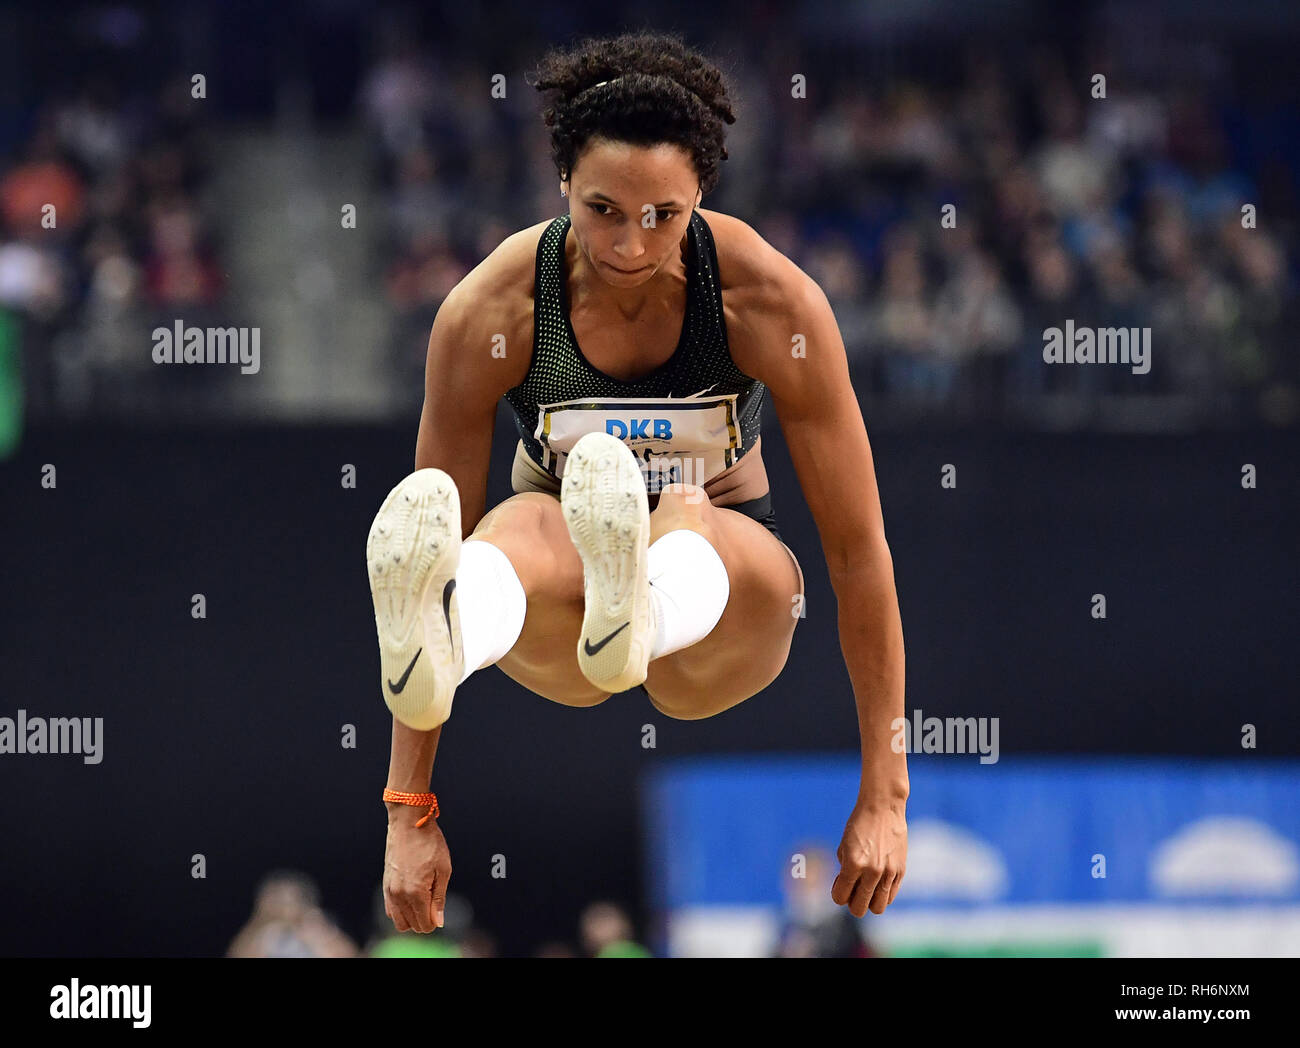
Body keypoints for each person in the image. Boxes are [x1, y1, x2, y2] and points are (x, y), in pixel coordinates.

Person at [373, 31, 908, 937]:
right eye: (604, 210)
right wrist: (407, 809)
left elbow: (858, 556)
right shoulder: (490, 311)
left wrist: (885, 795)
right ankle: (461, 643)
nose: (632, 242)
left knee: (698, 521)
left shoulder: (769, 303)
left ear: (703, 193)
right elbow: (435, 551)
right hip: (564, 604)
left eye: (664, 214)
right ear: (560, 191)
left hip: (721, 616)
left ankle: (644, 607)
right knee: (506, 536)